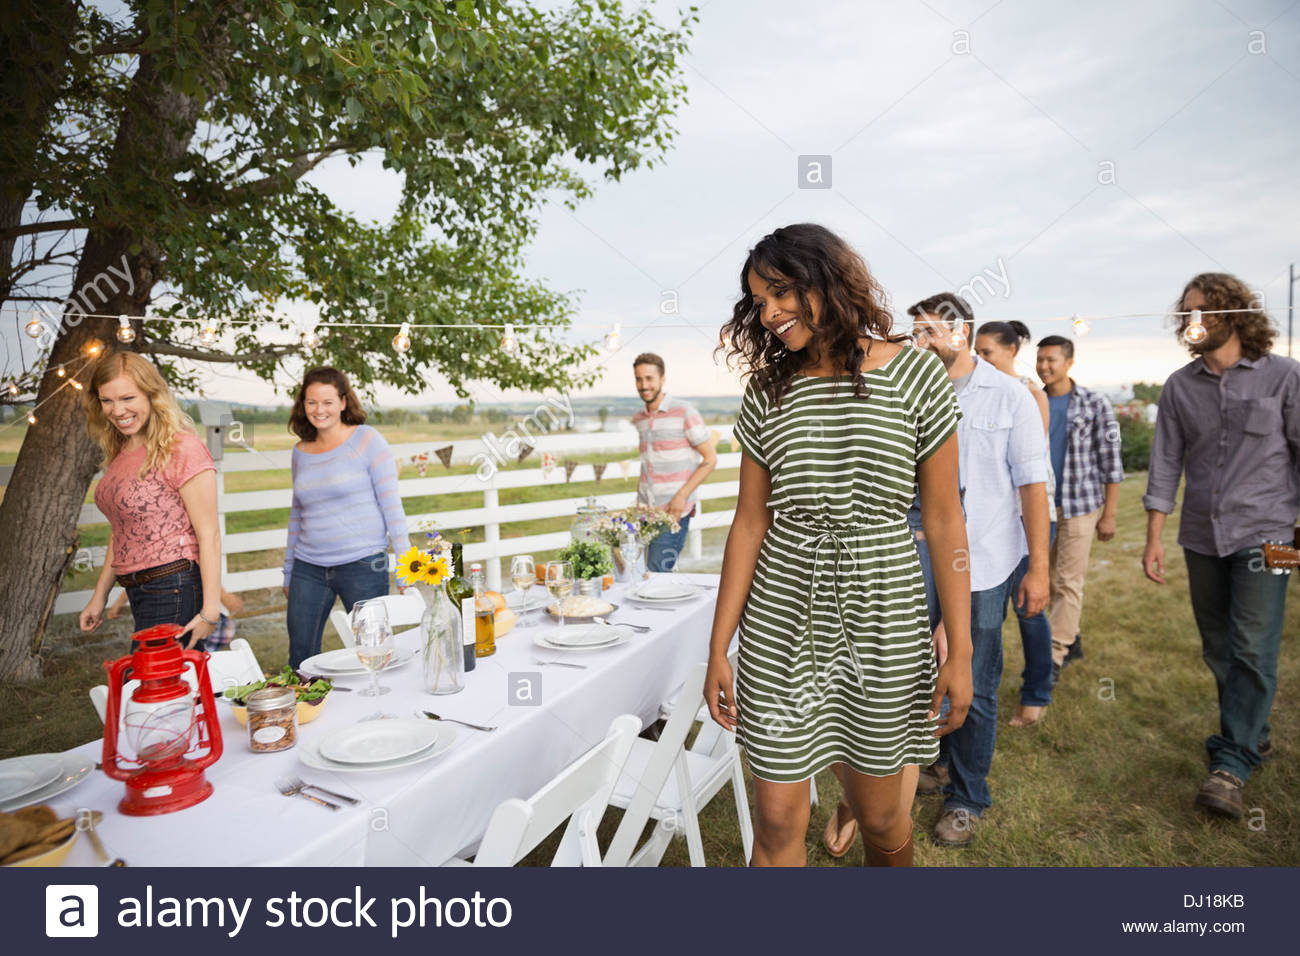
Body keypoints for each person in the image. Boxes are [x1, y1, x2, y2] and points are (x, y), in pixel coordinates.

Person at [704, 224, 973, 867]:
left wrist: (960, 648)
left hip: (884, 608)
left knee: (882, 818)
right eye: (758, 301)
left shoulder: (914, 375)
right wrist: (719, 645)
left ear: (825, 279)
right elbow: (749, 522)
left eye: (780, 293)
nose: (768, 313)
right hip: (782, 611)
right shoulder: (768, 390)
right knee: (774, 823)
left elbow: (943, 521)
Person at [1142, 272, 1300, 819]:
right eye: (1187, 311)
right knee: (1219, 647)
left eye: (1203, 309)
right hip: (1201, 537)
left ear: (1234, 314)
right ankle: (1254, 731)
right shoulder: (1179, 386)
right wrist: (1155, 536)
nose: (1193, 319)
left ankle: (1230, 764)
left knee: (1254, 646)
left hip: (1272, 535)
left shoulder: (1285, 377)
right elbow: (1164, 463)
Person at [898, 296, 1050, 848]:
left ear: (959, 332)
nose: (921, 341)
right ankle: (932, 762)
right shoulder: (910, 392)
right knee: (916, 670)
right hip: (917, 555)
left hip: (986, 559)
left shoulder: (1010, 395)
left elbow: (1034, 487)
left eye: (930, 331)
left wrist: (1039, 568)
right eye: (914, 332)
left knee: (976, 680)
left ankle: (967, 796)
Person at [78, 351, 222, 650]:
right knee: (163, 689)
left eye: (128, 398)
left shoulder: (181, 447)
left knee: (153, 688)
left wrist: (210, 611)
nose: (117, 410)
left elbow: (209, 534)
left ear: (151, 395)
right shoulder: (121, 449)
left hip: (174, 586)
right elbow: (122, 531)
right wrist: (99, 595)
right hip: (138, 590)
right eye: (107, 401)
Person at [283, 367, 410, 669]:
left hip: (363, 564)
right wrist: (289, 570)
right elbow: (297, 514)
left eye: (327, 402)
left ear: (342, 402)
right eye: (312, 402)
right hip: (308, 568)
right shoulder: (300, 451)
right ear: (303, 405)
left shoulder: (367, 440)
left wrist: (406, 565)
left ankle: (376, 710)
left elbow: (391, 505)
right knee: (301, 655)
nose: (319, 409)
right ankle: (308, 711)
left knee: (373, 651)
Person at [975, 320, 1057, 726]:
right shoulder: (975, 393)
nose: (981, 359)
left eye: (988, 352)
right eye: (978, 352)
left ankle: (1037, 691)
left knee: (1028, 608)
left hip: (1028, 517)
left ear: (1010, 350)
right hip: (992, 523)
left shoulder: (1026, 394)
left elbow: (1027, 471)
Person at [1036, 334, 1123, 682]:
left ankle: (1054, 657)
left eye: (1051, 360)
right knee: (1049, 582)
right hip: (1042, 508)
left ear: (1069, 363)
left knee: (1069, 582)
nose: (1044, 366)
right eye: (1040, 359)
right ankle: (1072, 639)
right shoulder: (1031, 400)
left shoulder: (1094, 403)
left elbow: (1111, 461)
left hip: (1080, 506)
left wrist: (1111, 514)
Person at [632, 352, 717, 571]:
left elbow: (710, 459)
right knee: (644, 575)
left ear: (662, 379)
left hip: (673, 511)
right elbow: (648, 466)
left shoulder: (685, 412)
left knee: (658, 571)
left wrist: (681, 496)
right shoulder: (639, 419)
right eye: (639, 379)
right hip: (644, 512)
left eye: (649, 378)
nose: (644, 385)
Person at [108, 586, 244, 650]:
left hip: (200, 618)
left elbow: (212, 582)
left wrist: (226, 598)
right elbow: (139, 584)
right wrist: (117, 605)